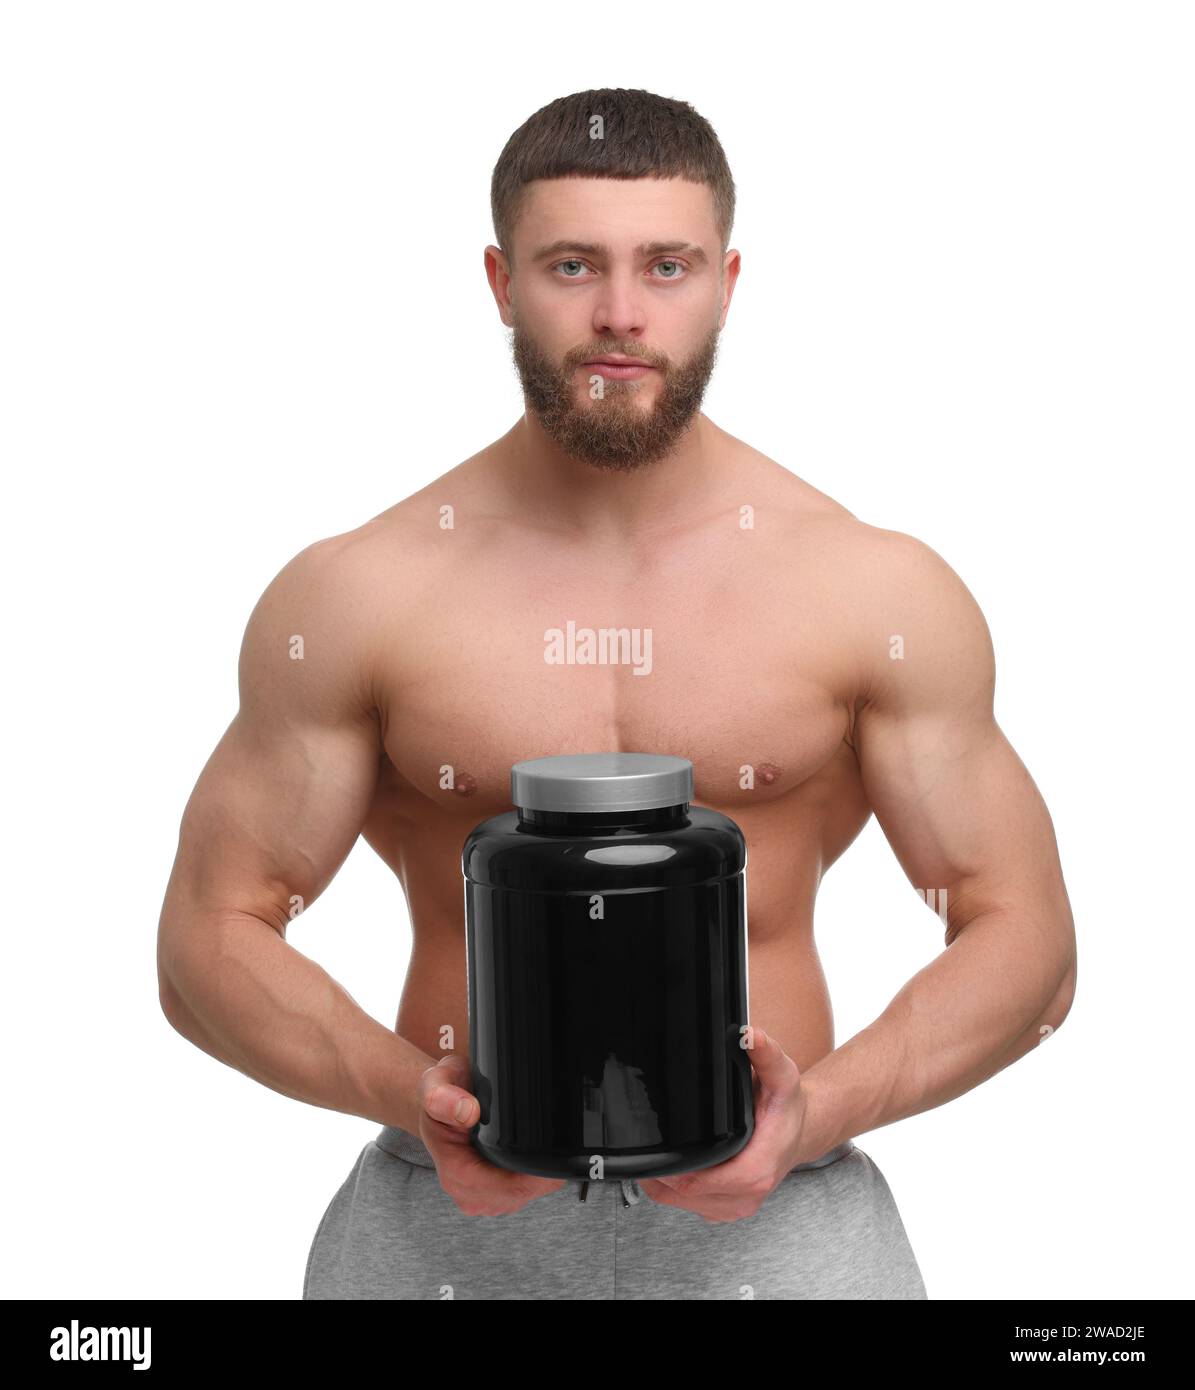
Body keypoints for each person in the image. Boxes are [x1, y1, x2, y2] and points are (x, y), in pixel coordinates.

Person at [157, 87, 1077, 1300]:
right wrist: (406, 1094)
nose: (620, 314)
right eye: (572, 263)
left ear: (728, 280)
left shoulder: (869, 588)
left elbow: (1026, 937)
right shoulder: (360, 591)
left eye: (668, 265)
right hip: (445, 1230)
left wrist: (818, 1112)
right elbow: (207, 936)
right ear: (499, 280)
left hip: (782, 1232)